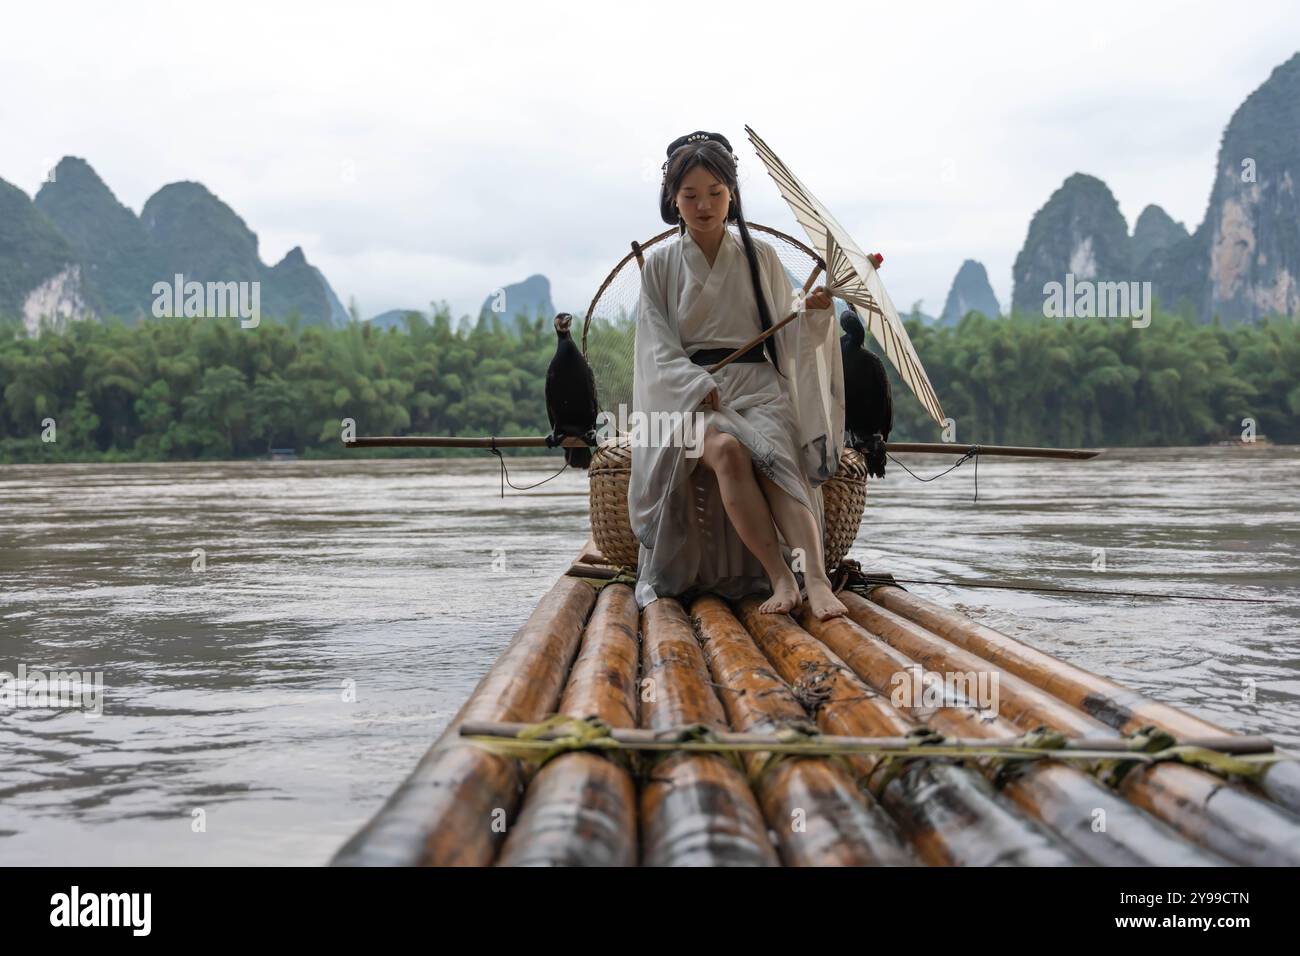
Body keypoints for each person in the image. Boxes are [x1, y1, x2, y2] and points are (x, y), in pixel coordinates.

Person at [628, 130, 847, 620]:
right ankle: (778, 575)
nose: (703, 205)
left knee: (775, 457)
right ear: (672, 199)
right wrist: (694, 384)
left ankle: (816, 579)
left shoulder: (760, 256)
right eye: (690, 196)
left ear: (732, 195)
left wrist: (811, 315)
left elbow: (785, 337)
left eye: (715, 194)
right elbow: (655, 349)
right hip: (689, 398)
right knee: (726, 449)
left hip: (758, 388)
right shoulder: (660, 266)